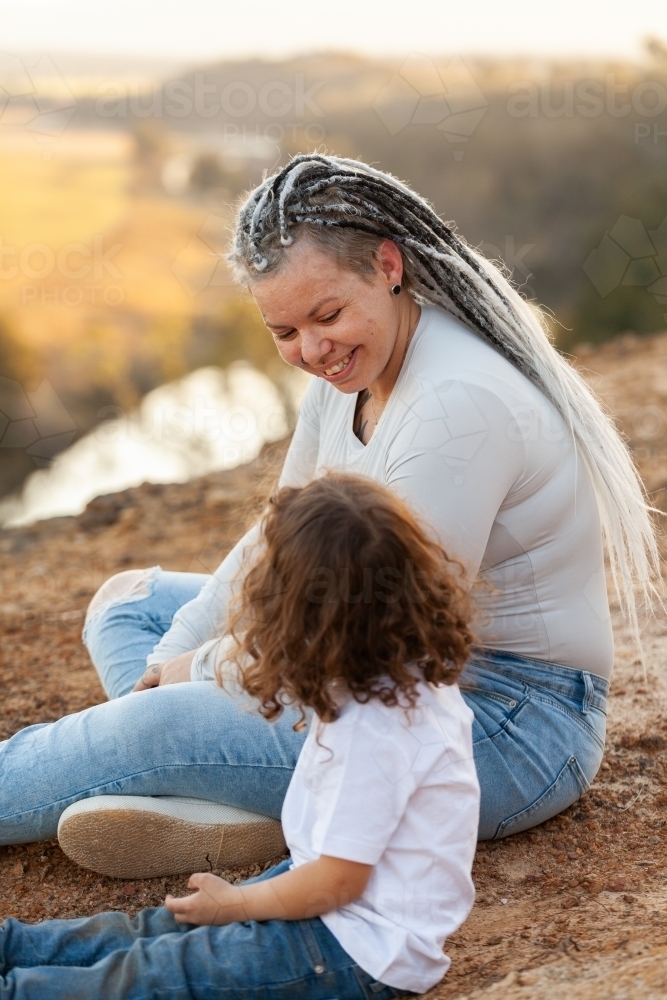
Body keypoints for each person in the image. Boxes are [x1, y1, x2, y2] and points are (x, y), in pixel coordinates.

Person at [0, 154, 658, 872]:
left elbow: (381, 637)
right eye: (283, 332)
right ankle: (232, 800)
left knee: (152, 727)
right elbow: (277, 538)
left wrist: (199, 675)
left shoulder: (458, 407)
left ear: (386, 263)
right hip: (378, 674)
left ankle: (200, 768)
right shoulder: (351, 369)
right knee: (131, 604)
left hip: (504, 726)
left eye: (327, 314)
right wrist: (172, 657)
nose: (311, 350)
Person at [0, 474, 480, 999]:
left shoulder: (377, 729)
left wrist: (240, 906)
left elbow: (340, 882)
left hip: (348, 951)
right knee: (156, 935)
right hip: (324, 899)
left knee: (144, 979)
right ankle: (12, 947)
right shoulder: (396, 675)